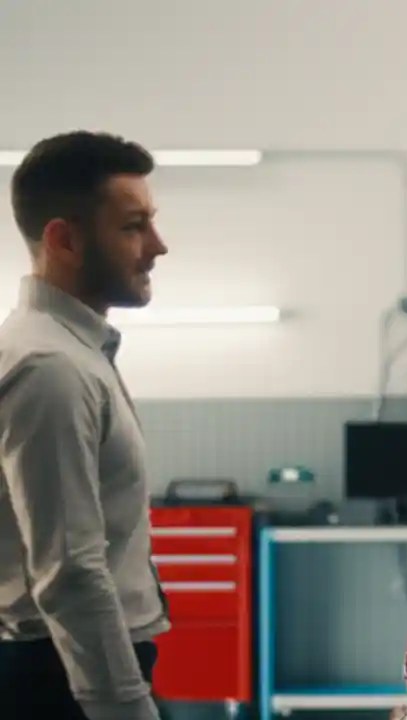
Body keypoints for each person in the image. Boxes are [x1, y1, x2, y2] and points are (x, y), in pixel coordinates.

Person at [0, 131, 170, 719]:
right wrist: (123, 705)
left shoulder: (72, 351)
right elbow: (69, 566)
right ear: (64, 239)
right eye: (133, 226)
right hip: (64, 680)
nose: (157, 246)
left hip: (70, 668)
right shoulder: (51, 368)